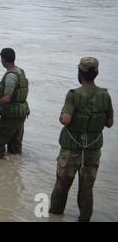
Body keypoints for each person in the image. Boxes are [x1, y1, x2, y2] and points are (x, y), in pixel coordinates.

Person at [50, 57, 114, 222]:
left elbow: (66, 120)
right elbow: (109, 123)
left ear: (80, 73)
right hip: (92, 150)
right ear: (97, 73)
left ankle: (55, 216)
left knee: (62, 184)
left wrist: (61, 116)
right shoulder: (105, 95)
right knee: (87, 188)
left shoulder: (73, 94)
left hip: (71, 148)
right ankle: (84, 219)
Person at [0, 48, 30, 159]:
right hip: (21, 113)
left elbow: (6, 99)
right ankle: (13, 170)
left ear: (3, 60)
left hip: (11, 116)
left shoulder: (10, 76)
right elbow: (7, 93)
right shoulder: (20, 71)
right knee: (15, 147)